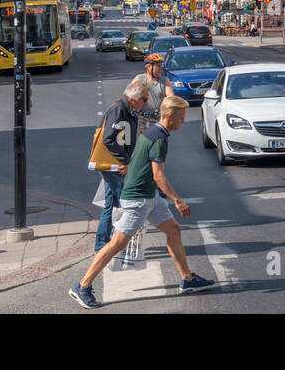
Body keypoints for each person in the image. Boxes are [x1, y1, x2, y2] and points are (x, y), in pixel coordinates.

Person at [69, 94, 213, 308]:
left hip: (149, 196)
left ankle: (188, 279)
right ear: (171, 116)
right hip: (138, 199)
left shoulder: (152, 132)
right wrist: (177, 201)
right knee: (117, 243)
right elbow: (159, 176)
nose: (183, 123)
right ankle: (82, 286)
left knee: (174, 230)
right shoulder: (160, 138)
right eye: (181, 118)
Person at [95, 79, 150, 252]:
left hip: (114, 165)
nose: (146, 103)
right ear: (134, 98)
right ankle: (116, 246)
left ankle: (102, 245)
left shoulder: (127, 109)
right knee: (127, 205)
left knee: (110, 205)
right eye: (145, 99)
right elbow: (109, 139)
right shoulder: (119, 109)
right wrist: (126, 161)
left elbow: (123, 137)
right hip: (115, 167)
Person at [134, 52, 167, 129]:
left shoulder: (165, 80)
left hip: (159, 119)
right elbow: (129, 96)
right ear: (149, 67)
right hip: (142, 119)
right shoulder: (139, 79)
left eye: (161, 66)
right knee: (140, 138)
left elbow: (170, 97)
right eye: (158, 66)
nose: (161, 69)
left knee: (159, 140)